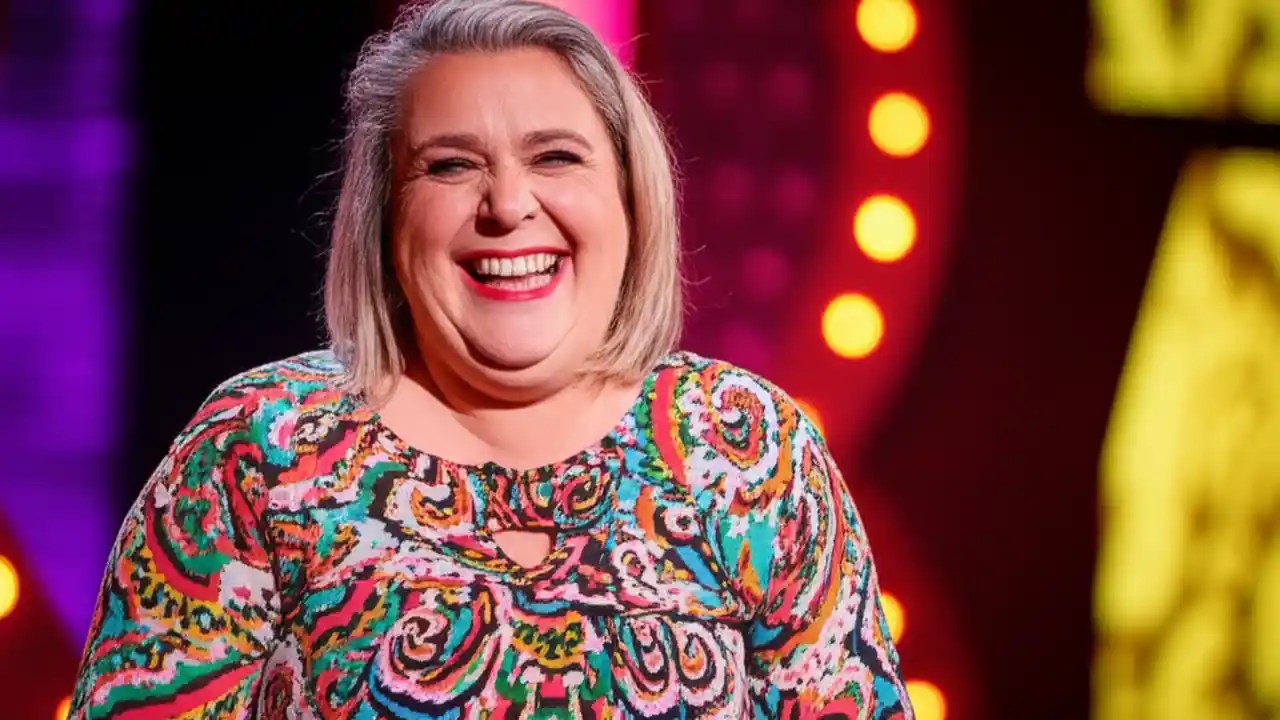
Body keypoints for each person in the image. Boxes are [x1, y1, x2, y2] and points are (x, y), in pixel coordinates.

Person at [70, 0, 912, 717]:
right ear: (386, 217)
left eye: (555, 157)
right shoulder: (257, 449)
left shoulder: (749, 450)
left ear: (629, 197)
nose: (508, 205)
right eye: (451, 165)